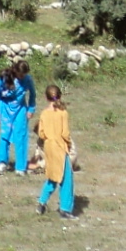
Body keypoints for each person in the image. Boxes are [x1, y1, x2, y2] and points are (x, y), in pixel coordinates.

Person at [0, 60, 35, 175]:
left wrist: (31, 109)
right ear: (16, 71)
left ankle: (20, 167)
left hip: (20, 109)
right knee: (5, 134)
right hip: (6, 109)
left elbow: (33, 94)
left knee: (21, 135)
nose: (23, 76)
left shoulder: (28, 79)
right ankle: (2, 163)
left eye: (25, 74)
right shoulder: (5, 78)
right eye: (21, 74)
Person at [35, 84, 75, 218]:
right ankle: (65, 208)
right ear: (60, 96)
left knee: (52, 176)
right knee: (66, 178)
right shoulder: (63, 113)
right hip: (59, 146)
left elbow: (40, 133)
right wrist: (69, 145)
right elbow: (65, 133)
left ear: (46, 98)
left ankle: (41, 203)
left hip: (49, 146)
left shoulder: (44, 113)